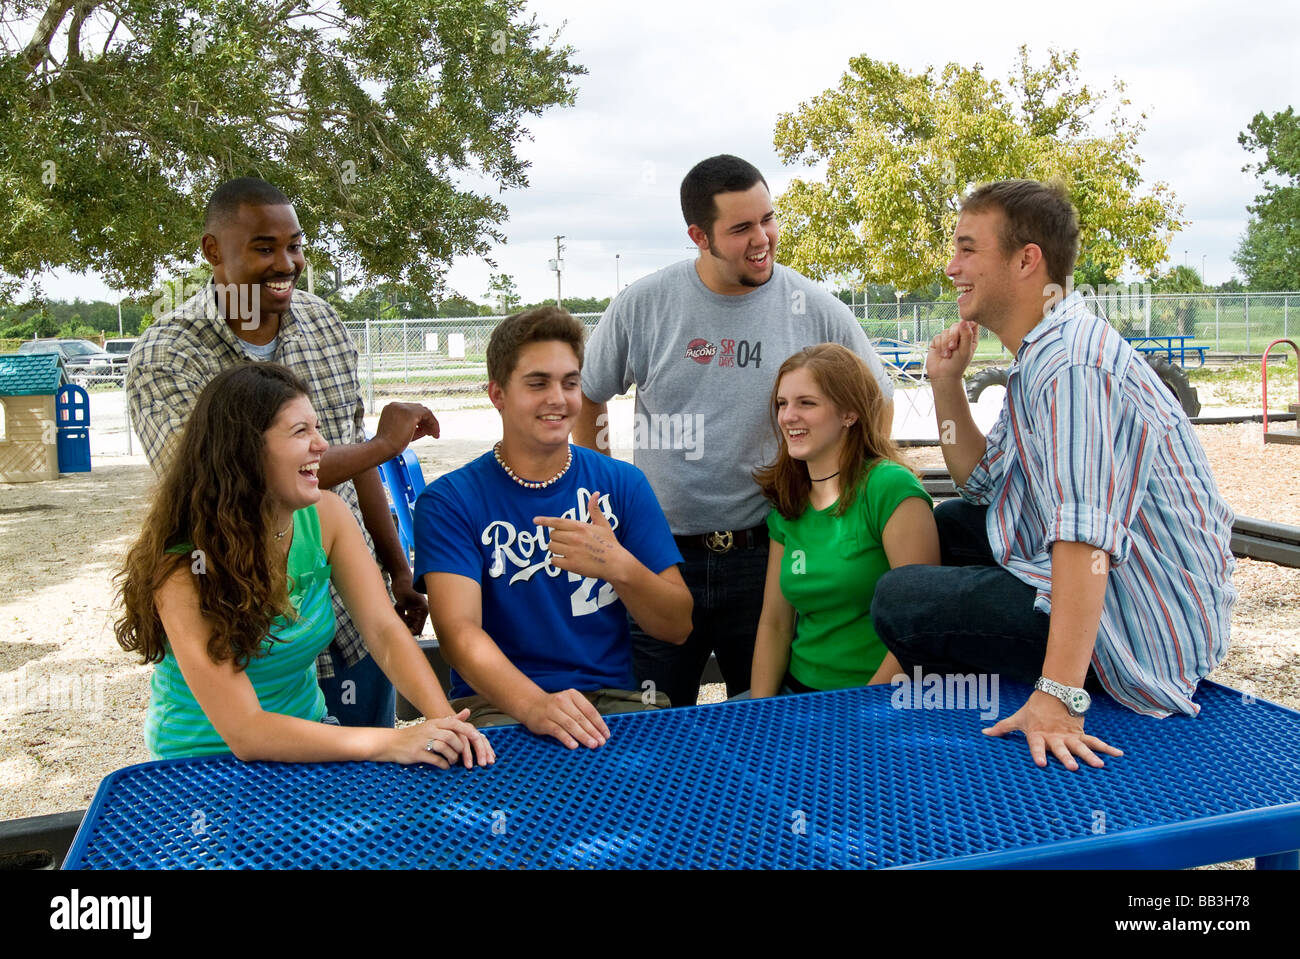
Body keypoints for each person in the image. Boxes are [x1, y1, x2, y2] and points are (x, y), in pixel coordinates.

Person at [870, 179, 1237, 770]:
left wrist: (1058, 697)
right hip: (1121, 582)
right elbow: (981, 485)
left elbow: (1085, 535)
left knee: (900, 601)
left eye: (967, 248)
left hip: (1142, 626)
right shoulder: (1046, 348)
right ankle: (919, 674)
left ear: (1025, 259)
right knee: (953, 524)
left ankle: (959, 685)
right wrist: (945, 384)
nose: (950, 265)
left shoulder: (1071, 365)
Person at [575, 154, 895, 708]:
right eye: (741, 228)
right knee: (647, 725)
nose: (762, 239)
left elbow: (877, 401)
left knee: (769, 722)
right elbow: (588, 393)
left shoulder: (814, 307)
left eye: (768, 219)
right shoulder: (645, 304)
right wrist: (606, 482)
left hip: (766, 553)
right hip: (658, 555)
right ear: (699, 235)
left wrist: (833, 496)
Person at [127, 176, 438, 730]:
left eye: (294, 245)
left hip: (344, 615)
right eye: (264, 248)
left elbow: (353, 456)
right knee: (263, 797)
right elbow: (216, 480)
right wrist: (385, 445)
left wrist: (396, 569)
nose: (285, 263)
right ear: (213, 252)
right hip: (242, 615)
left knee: (360, 797)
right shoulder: (167, 352)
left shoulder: (324, 325)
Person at [114, 363, 493, 768]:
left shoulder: (325, 516)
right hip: (201, 764)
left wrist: (445, 720)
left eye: (317, 428)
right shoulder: (183, 567)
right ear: (245, 451)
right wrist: (391, 741)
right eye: (301, 432)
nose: (322, 445)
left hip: (310, 739)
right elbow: (246, 731)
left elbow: (383, 631)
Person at [415, 307, 693, 749]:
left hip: (611, 703)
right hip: (497, 706)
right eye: (538, 383)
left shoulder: (621, 484)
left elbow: (676, 625)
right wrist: (535, 706)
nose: (558, 399)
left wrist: (620, 565)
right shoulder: (450, 500)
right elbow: (457, 634)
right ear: (497, 394)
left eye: (570, 382)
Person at [751, 344, 939, 697]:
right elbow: (775, 623)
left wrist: (859, 715)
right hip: (798, 692)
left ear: (849, 413)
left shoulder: (890, 488)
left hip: (877, 701)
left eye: (806, 403)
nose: (788, 416)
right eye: (782, 403)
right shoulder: (789, 498)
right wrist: (761, 713)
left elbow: (920, 622)